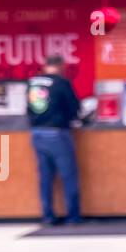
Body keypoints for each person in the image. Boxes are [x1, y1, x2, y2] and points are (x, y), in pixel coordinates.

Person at [26, 55, 83, 225]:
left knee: (45, 177)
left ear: (45, 65)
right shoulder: (61, 83)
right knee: (68, 175)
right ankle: (73, 217)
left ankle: (48, 216)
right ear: (61, 65)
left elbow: (29, 109)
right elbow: (75, 109)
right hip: (57, 134)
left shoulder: (32, 83)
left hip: (37, 134)